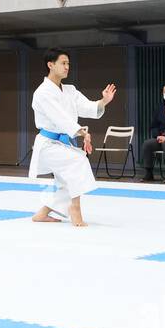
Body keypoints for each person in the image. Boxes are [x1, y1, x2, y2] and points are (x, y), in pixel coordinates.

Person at [29, 49, 115, 226]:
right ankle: (75, 209)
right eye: (63, 63)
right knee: (78, 162)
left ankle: (42, 214)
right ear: (50, 65)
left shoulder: (70, 90)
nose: (67, 67)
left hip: (62, 143)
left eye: (68, 63)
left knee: (69, 182)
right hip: (48, 144)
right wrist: (81, 132)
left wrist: (103, 101)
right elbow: (59, 117)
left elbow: (88, 107)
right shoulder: (42, 92)